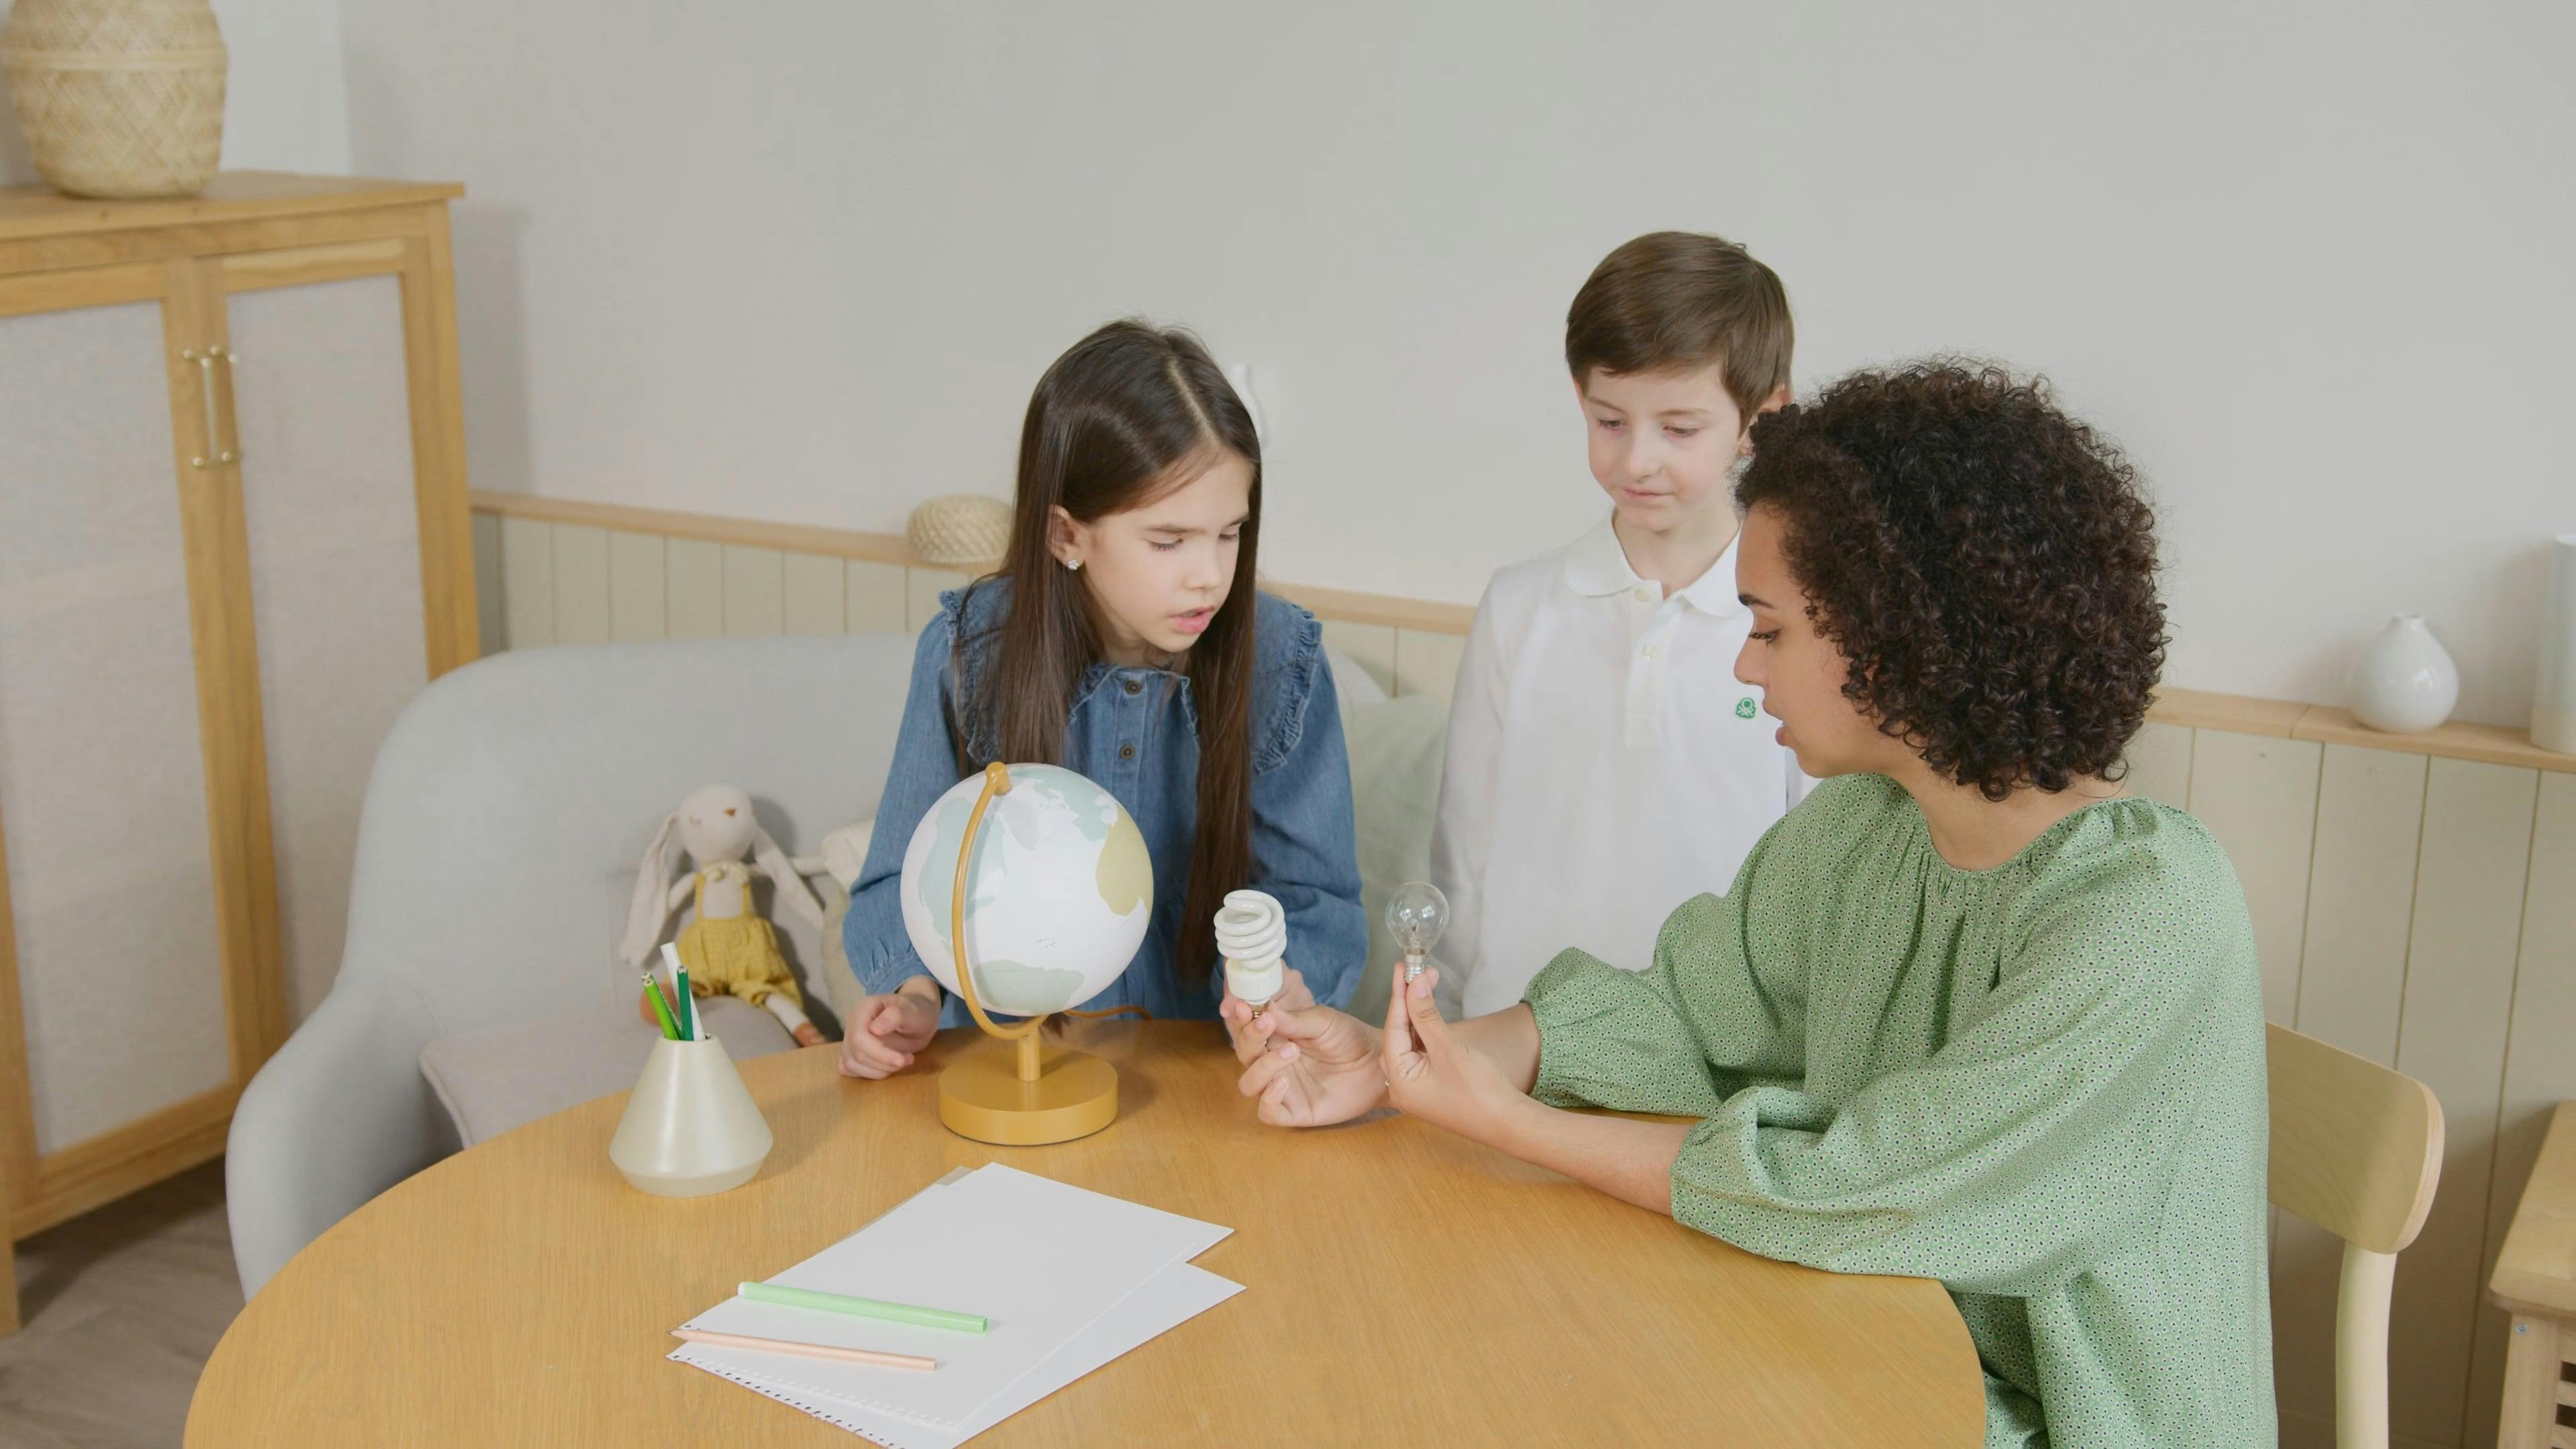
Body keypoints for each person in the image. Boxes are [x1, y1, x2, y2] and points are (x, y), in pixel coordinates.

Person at [1230, 362, 2274, 1445]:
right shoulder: (1867, 827)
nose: (1744, 662)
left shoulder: (2147, 916)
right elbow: (1684, 1007)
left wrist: (1518, 1127)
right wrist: (1411, 1063)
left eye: (1769, 630)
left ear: (1899, 638)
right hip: (1858, 1356)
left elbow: (1859, 1188)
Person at [837, 320, 1366, 1079]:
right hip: (1005, 1072)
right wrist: (911, 998)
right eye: (1168, 540)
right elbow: (901, 874)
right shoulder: (967, 654)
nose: (1211, 577)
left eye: (1231, 533)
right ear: (1064, 534)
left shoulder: (1279, 662)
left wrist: (1277, 999)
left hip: (1204, 1082)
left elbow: (1315, 898)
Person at [1430, 231, 1805, 1017]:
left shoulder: (1799, 632)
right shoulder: (1519, 607)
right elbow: (1462, 857)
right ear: (1580, 397)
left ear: (1761, 417)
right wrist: (1454, 1038)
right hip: (1511, 1045)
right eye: (1610, 422)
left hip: (1711, 1066)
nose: (1637, 461)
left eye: (1678, 428)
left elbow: (1818, 876)